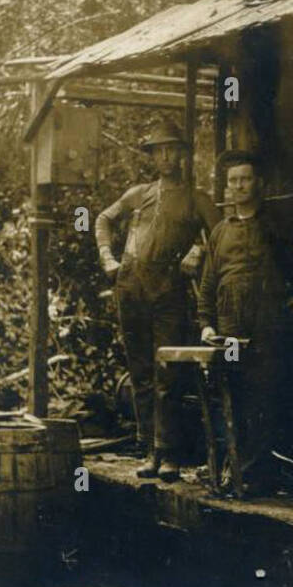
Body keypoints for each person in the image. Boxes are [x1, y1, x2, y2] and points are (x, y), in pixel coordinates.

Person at [96, 117, 217, 479]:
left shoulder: (197, 199)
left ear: (182, 154)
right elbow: (102, 218)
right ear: (153, 156)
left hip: (169, 289)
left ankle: (170, 455)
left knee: (169, 372)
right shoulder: (139, 193)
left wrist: (199, 251)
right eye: (159, 151)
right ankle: (148, 450)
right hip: (130, 284)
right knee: (140, 373)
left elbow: (222, 236)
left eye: (172, 150)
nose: (166, 157)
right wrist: (107, 258)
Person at [198, 151, 293, 497]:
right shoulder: (220, 232)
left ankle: (256, 475)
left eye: (244, 179)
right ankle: (237, 470)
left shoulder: (275, 227)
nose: (238, 186)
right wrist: (206, 324)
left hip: (267, 327)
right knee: (234, 391)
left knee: (264, 396)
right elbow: (208, 284)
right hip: (231, 329)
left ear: (258, 184)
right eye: (233, 181)